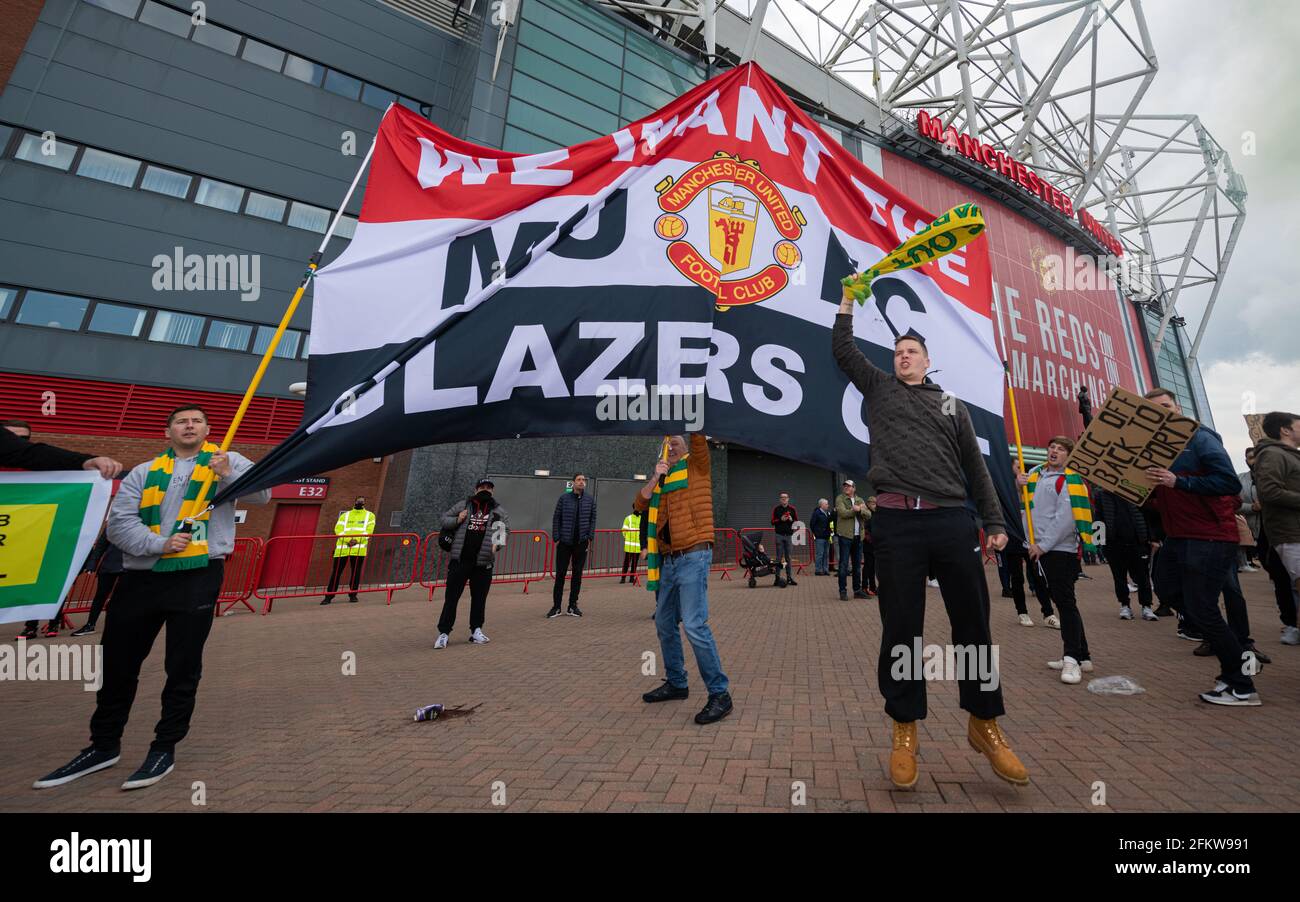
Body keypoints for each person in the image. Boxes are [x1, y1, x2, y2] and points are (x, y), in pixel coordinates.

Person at [833, 291, 1027, 789]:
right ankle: (904, 729)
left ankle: (985, 723)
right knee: (901, 629)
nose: (903, 355)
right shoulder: (877, 388)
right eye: (898, 350)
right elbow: (843, 351)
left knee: (974, 626)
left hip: (950, 521)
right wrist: (846, 303)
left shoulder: (949, 403)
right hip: (896, 524)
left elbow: (976, 467)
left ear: (928, 361)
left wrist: (996, 523)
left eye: (912, 350)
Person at [34, 405, 269, 791]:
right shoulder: (143, 472)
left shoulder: (227, 460)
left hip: (198, 575)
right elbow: (119, 525)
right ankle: (103, 745)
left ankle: (164, 747)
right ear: (168, 432)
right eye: (181, 421)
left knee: (182, 665)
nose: (189, 425)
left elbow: (262, 494)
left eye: (196, 421)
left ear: (208, 429)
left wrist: (228, 474)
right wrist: (160, 544)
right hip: (141, 577)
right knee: (117, 663)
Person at [1144, 388, 1259, 706]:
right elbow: (1164, 495)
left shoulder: (1200, 438)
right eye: (1155, 411)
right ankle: (1232, 669)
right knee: (1167, 590)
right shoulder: (1156, 447)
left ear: (1177, 408)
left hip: (1208, 536)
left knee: (1203, 609)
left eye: (1166, 407)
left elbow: (1229, 483)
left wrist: (1178, 482)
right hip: (1179, 535)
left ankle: (1240, 684)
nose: (1163, 414)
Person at [635, 434, 733, 725]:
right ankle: (677, 682)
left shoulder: (697, 466)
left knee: (693, 623)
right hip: (669, 560)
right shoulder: (664, 478)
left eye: (676, 441)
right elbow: (639, 505)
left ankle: (720, 693)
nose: (672, 445)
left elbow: (697, 434)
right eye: (667, 443)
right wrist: (655, 476)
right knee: (664, 622)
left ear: (688, 445)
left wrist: (688, 402)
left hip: (693, 555)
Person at [4, 419, 123, 641]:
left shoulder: (37, 473)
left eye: (23, 438)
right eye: (12, 437)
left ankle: (48, 623)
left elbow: (31, 453)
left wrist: (84, 462)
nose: (17, 442)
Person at [1018, 437, 1096, 684]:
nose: (1054, 451)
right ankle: (1083, 656)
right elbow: (1029, 507)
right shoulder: (1036, 474)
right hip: (1038, 548)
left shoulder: (1071, 480)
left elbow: (1066, 518)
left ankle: (1072, 659)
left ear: (1069, 455)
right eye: (1052, 447)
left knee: (1065, 603)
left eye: (1061, 449)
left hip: (1059, 550)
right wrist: (1020, 483)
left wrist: (1043, 544)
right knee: (1063, 602)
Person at [435, 478, 508, 648]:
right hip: (460, 560)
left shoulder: (498, 510)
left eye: (489, 488)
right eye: (482, 487)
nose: (486, 490)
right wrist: (457, 520)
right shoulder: (463, 505)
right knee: (451, 598)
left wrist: (497, 545)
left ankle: (476, 630)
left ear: (493, 491)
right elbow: (444, 519)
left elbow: (505, 529)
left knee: (479, 599)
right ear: (476, 489)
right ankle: (444, 633)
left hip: (483, 563)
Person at [1248, 445, 1299, 644]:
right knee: (1282, 580)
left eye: (1254, 457)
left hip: (1287, 531)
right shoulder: (1247, 479)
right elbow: (1238, 501)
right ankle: (1290, 622)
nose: (1252, 461)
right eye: (1250, 458)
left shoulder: (1289, 468)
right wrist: (1251, 506)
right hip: (1269, 533)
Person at [1093, 487, 1157, 621]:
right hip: (1113, 543)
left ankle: (1146, 606)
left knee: (1142, 575)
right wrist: (1098, 543)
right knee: (1119, 576)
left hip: (1138, 541)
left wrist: (1152, 538)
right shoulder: (1101, 495)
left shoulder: (1135, 490)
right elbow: (1097, 516)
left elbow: (1147, 515)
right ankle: (1124, 605)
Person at [548, 473, 595, 618]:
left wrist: (590, 536)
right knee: (560, 574)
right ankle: (556, 607)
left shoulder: (590, 500)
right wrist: (557, 537)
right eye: (579, 480)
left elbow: (593, 519)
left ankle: (572, 606)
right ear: (573, 483)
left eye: (583, 480)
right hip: (565, 543)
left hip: (581, 543)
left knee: (577, 574)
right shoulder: (564, 499)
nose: (582, 482)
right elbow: (557, 518)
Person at [69, 532, 126, 637]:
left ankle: (122, 626)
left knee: (123, 598)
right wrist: (92, 564)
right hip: (109, 565)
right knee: (100, 596)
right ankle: (90, 625)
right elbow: (101, 545)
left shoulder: (142, 521)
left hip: (131, 566)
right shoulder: (113, 523)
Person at [320, 496, 375, 604]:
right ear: (354, 502)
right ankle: (329, 596)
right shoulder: (345, 515)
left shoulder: (370, 515)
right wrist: (349, 540)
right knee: (336, 573)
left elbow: (369, 531)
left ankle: (353, 595)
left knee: (356, 573)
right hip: (342, 549)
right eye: (359, 500)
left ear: (365, 503)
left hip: (358, 549)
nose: (360, 502)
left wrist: (356, 541)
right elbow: (338, 529)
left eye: (362, 501)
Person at [834, 480, 870, 601]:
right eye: (845, 486)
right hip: (845, 536)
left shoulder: (860, 500)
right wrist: (856, 510)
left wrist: (860, 509)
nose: (846, 488)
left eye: (849, 486)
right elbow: (843, 513)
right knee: (843, 565)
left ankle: (857, 590)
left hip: (858, 537)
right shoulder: (840, 498)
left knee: (857, 566)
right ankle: (843, 591)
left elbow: (868, 514)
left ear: (854, 488)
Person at [770, 492, 798, 587]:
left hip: (789, 536)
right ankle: (777, 578)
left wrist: (791, 520)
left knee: (788, 558)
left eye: (785, 498)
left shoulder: (792, 509)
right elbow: (772, 522)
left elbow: (796, 523)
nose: (784, 499)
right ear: (780, 499)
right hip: (779, 536)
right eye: (782, 498)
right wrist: (780, 519)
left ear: (788, 499)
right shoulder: (776, 509)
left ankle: (789, 578)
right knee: (778, 558)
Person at [861, 495, 878, 595]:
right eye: (873, 503)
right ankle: (864, 587)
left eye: (876, 503)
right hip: (868, 544)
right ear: (868, 504)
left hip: (874, 544)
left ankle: (872, 587)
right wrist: (870, 540)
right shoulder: (867, 514)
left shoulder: (875, 514)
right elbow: (866, 530)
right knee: (868, 565)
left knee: (873, 566)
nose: (875, 505)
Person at [620, 504, 642, 584]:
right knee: (626, 563)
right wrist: (628, 539)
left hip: (638, 546)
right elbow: (624, 531)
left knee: (634, 563)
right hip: (629, 546)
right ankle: (623, 578)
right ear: (634, 508)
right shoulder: (628, 518)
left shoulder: (642, 519)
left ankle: (632, 578)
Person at [810, 499, 832, 575]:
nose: (828, 505)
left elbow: (830, 521)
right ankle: (818, 570)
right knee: (820, 554)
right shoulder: (816, 513)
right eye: (826, 504)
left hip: (826, 536)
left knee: (826, 554)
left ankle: (825, 569)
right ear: (821, 505)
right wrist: (816, 533)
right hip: (820, 537)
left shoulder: (827, 513)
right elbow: (812, 524)